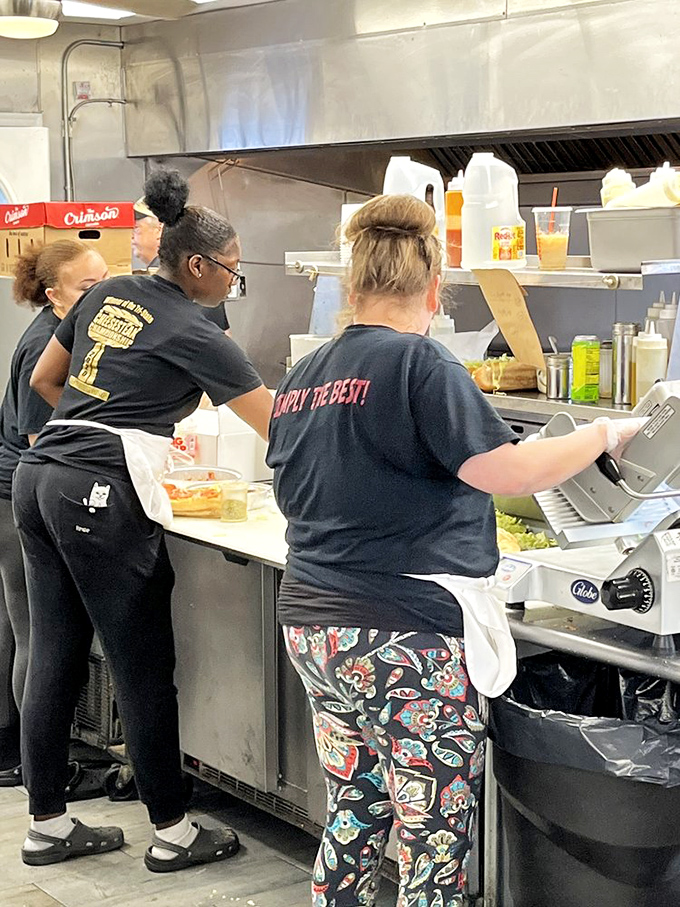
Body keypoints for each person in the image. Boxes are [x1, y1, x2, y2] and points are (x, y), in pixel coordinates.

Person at [266, 194, 647, 907]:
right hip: (402, 637)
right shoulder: (420, 364)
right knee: (434, 838)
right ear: (435, 289)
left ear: (353, 286)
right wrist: (602, 435)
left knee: (357, 808)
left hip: (315, 626)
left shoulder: (302, 377)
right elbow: (501, 472)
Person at [13, 169, 273, 872]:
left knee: (54, 653)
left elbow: (46, 379)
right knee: (142, 666)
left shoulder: (107, 293)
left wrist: (126, 411)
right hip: (98, 493)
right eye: (232, 271)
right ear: (198, 264)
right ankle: (174, 831)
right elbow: (277, 425)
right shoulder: (194, 328)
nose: (232, 283)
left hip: (39, 482)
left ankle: (47, 824)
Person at [0, 241, 108, 787]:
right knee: (37, 635)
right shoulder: (47, 342)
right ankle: (42, 767)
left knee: (23, 631)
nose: (104, 295)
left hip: (20, 492)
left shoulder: (64, 332)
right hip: (16, 498)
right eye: (89, 289)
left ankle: (28, 757)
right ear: (54, 294)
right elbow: (47, 442)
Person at [133, 194, 233, 335]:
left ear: (160, 230)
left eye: (137, 229)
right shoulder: (194, 275)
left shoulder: (180, 278)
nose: (132, 236)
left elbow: (222, 337)